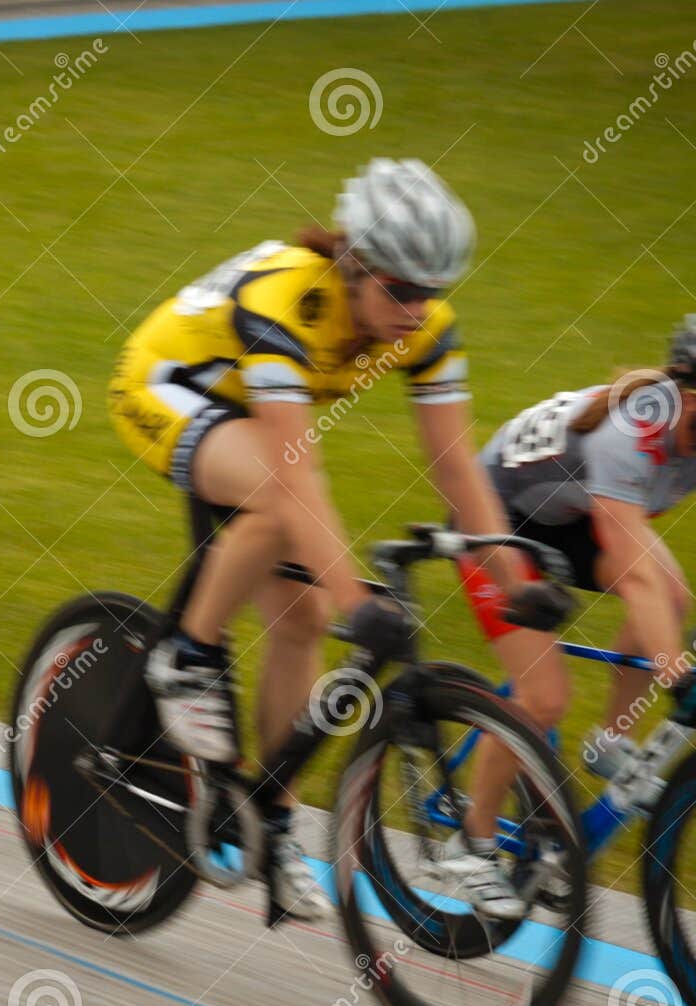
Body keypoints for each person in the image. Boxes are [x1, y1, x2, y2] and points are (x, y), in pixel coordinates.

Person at [107, 157, 563, 919]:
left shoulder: (424, 329)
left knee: (303, 620)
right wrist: (360, 601)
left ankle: (275, 819)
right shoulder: (289, 299)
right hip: (167, 388)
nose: (417, 310)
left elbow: (457, 467)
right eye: (401, 290)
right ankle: (186, 658)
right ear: (355, 265)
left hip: (252, 426)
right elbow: (294, 476)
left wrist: (516, 584)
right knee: (279, 497)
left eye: (433, 292)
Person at [452, 321, 696, 913]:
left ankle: (610, 740)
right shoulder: (630, 434)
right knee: (543, 698)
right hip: (495, 520)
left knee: (672, 600)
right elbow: (633, 574)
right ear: (688, 396)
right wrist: (676, 675)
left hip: (570, 516)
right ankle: (472, 844)